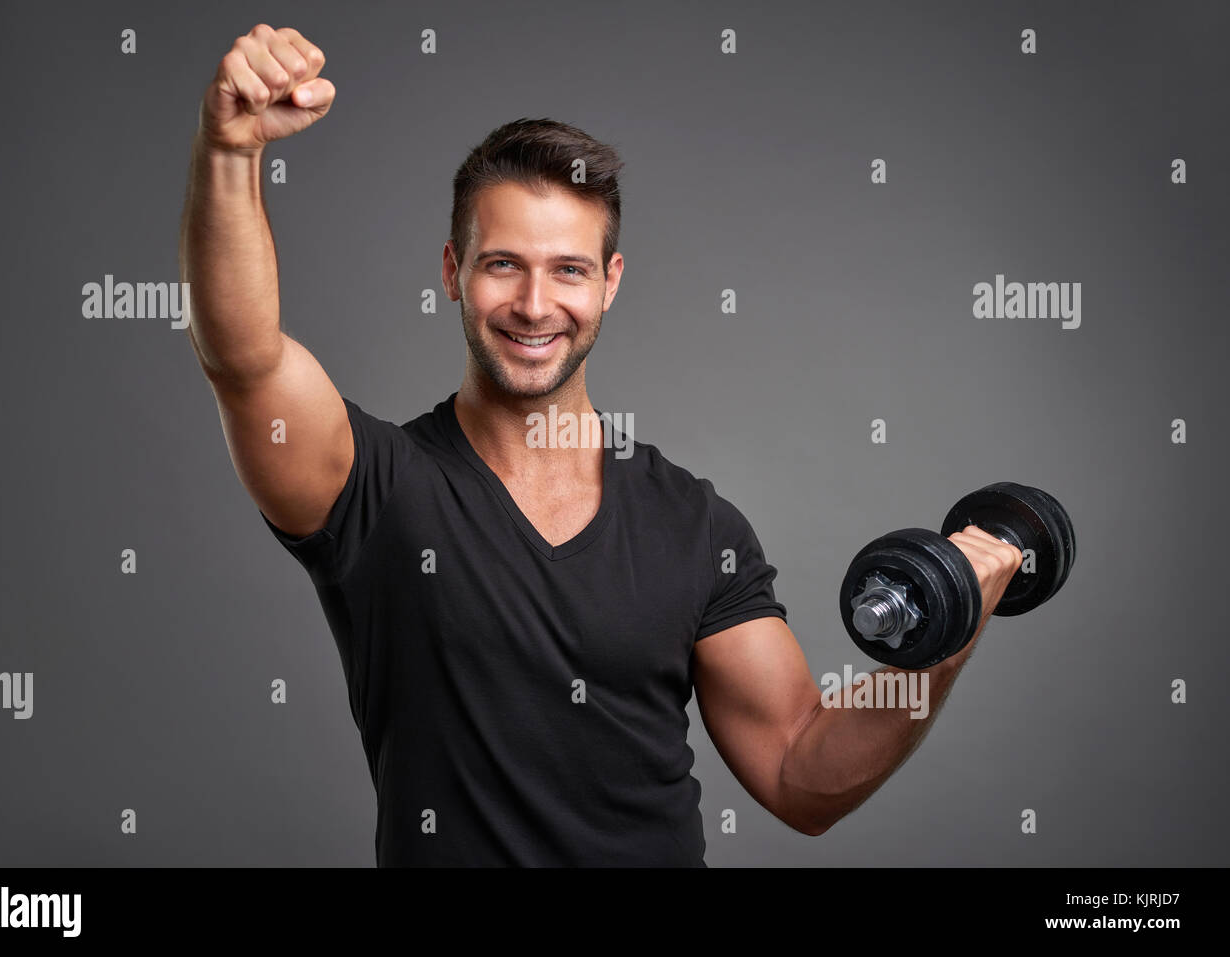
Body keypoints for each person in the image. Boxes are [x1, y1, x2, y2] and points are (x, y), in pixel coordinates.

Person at [179, 24, 1024, 866]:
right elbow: (243, 357)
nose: (535, 304)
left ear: (610, 282)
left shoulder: (694, 524)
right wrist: (231, 149)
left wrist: (948, 630)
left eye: (570, 269)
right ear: (451, 271)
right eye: (503, 264)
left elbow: (800, 773)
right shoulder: (373, 487)